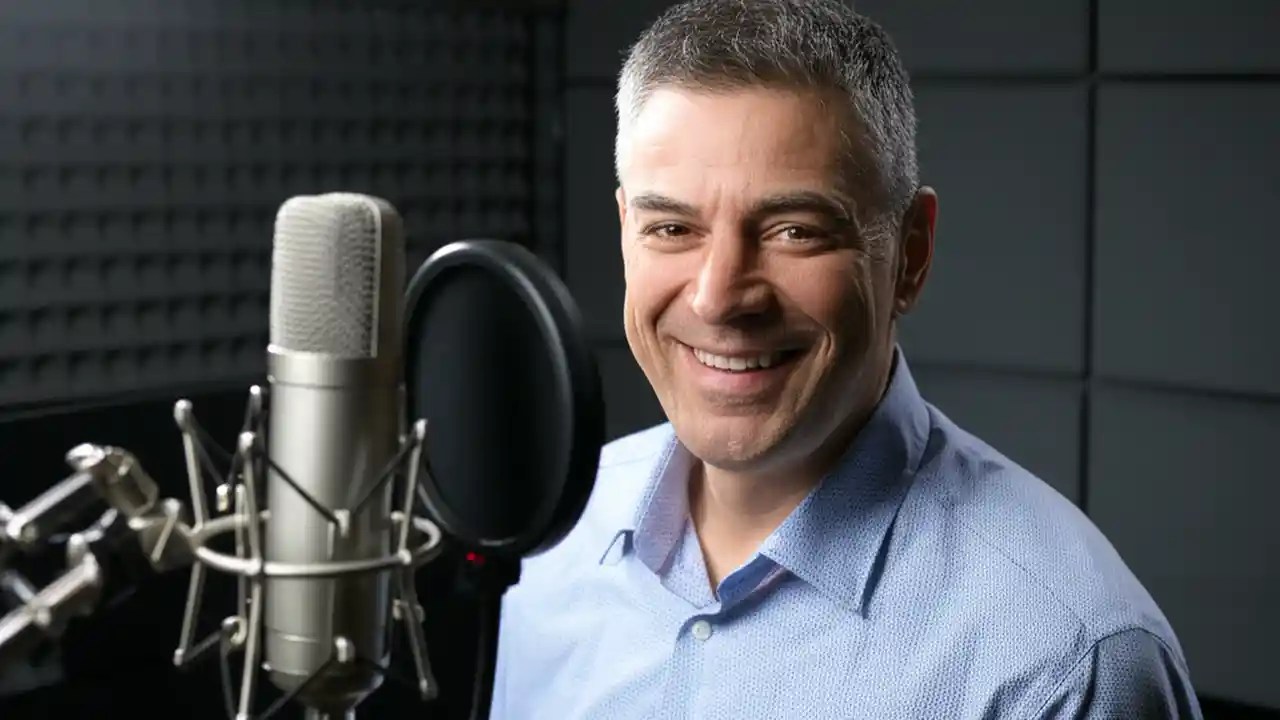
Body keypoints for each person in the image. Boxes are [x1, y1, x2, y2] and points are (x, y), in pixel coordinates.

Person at [489, 1, 1202, 717]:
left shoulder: (1070, 662)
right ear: (624, 232)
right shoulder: (547, 542)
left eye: (795, 229)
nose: (718, 298)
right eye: (672, 227)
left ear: (911, 256)